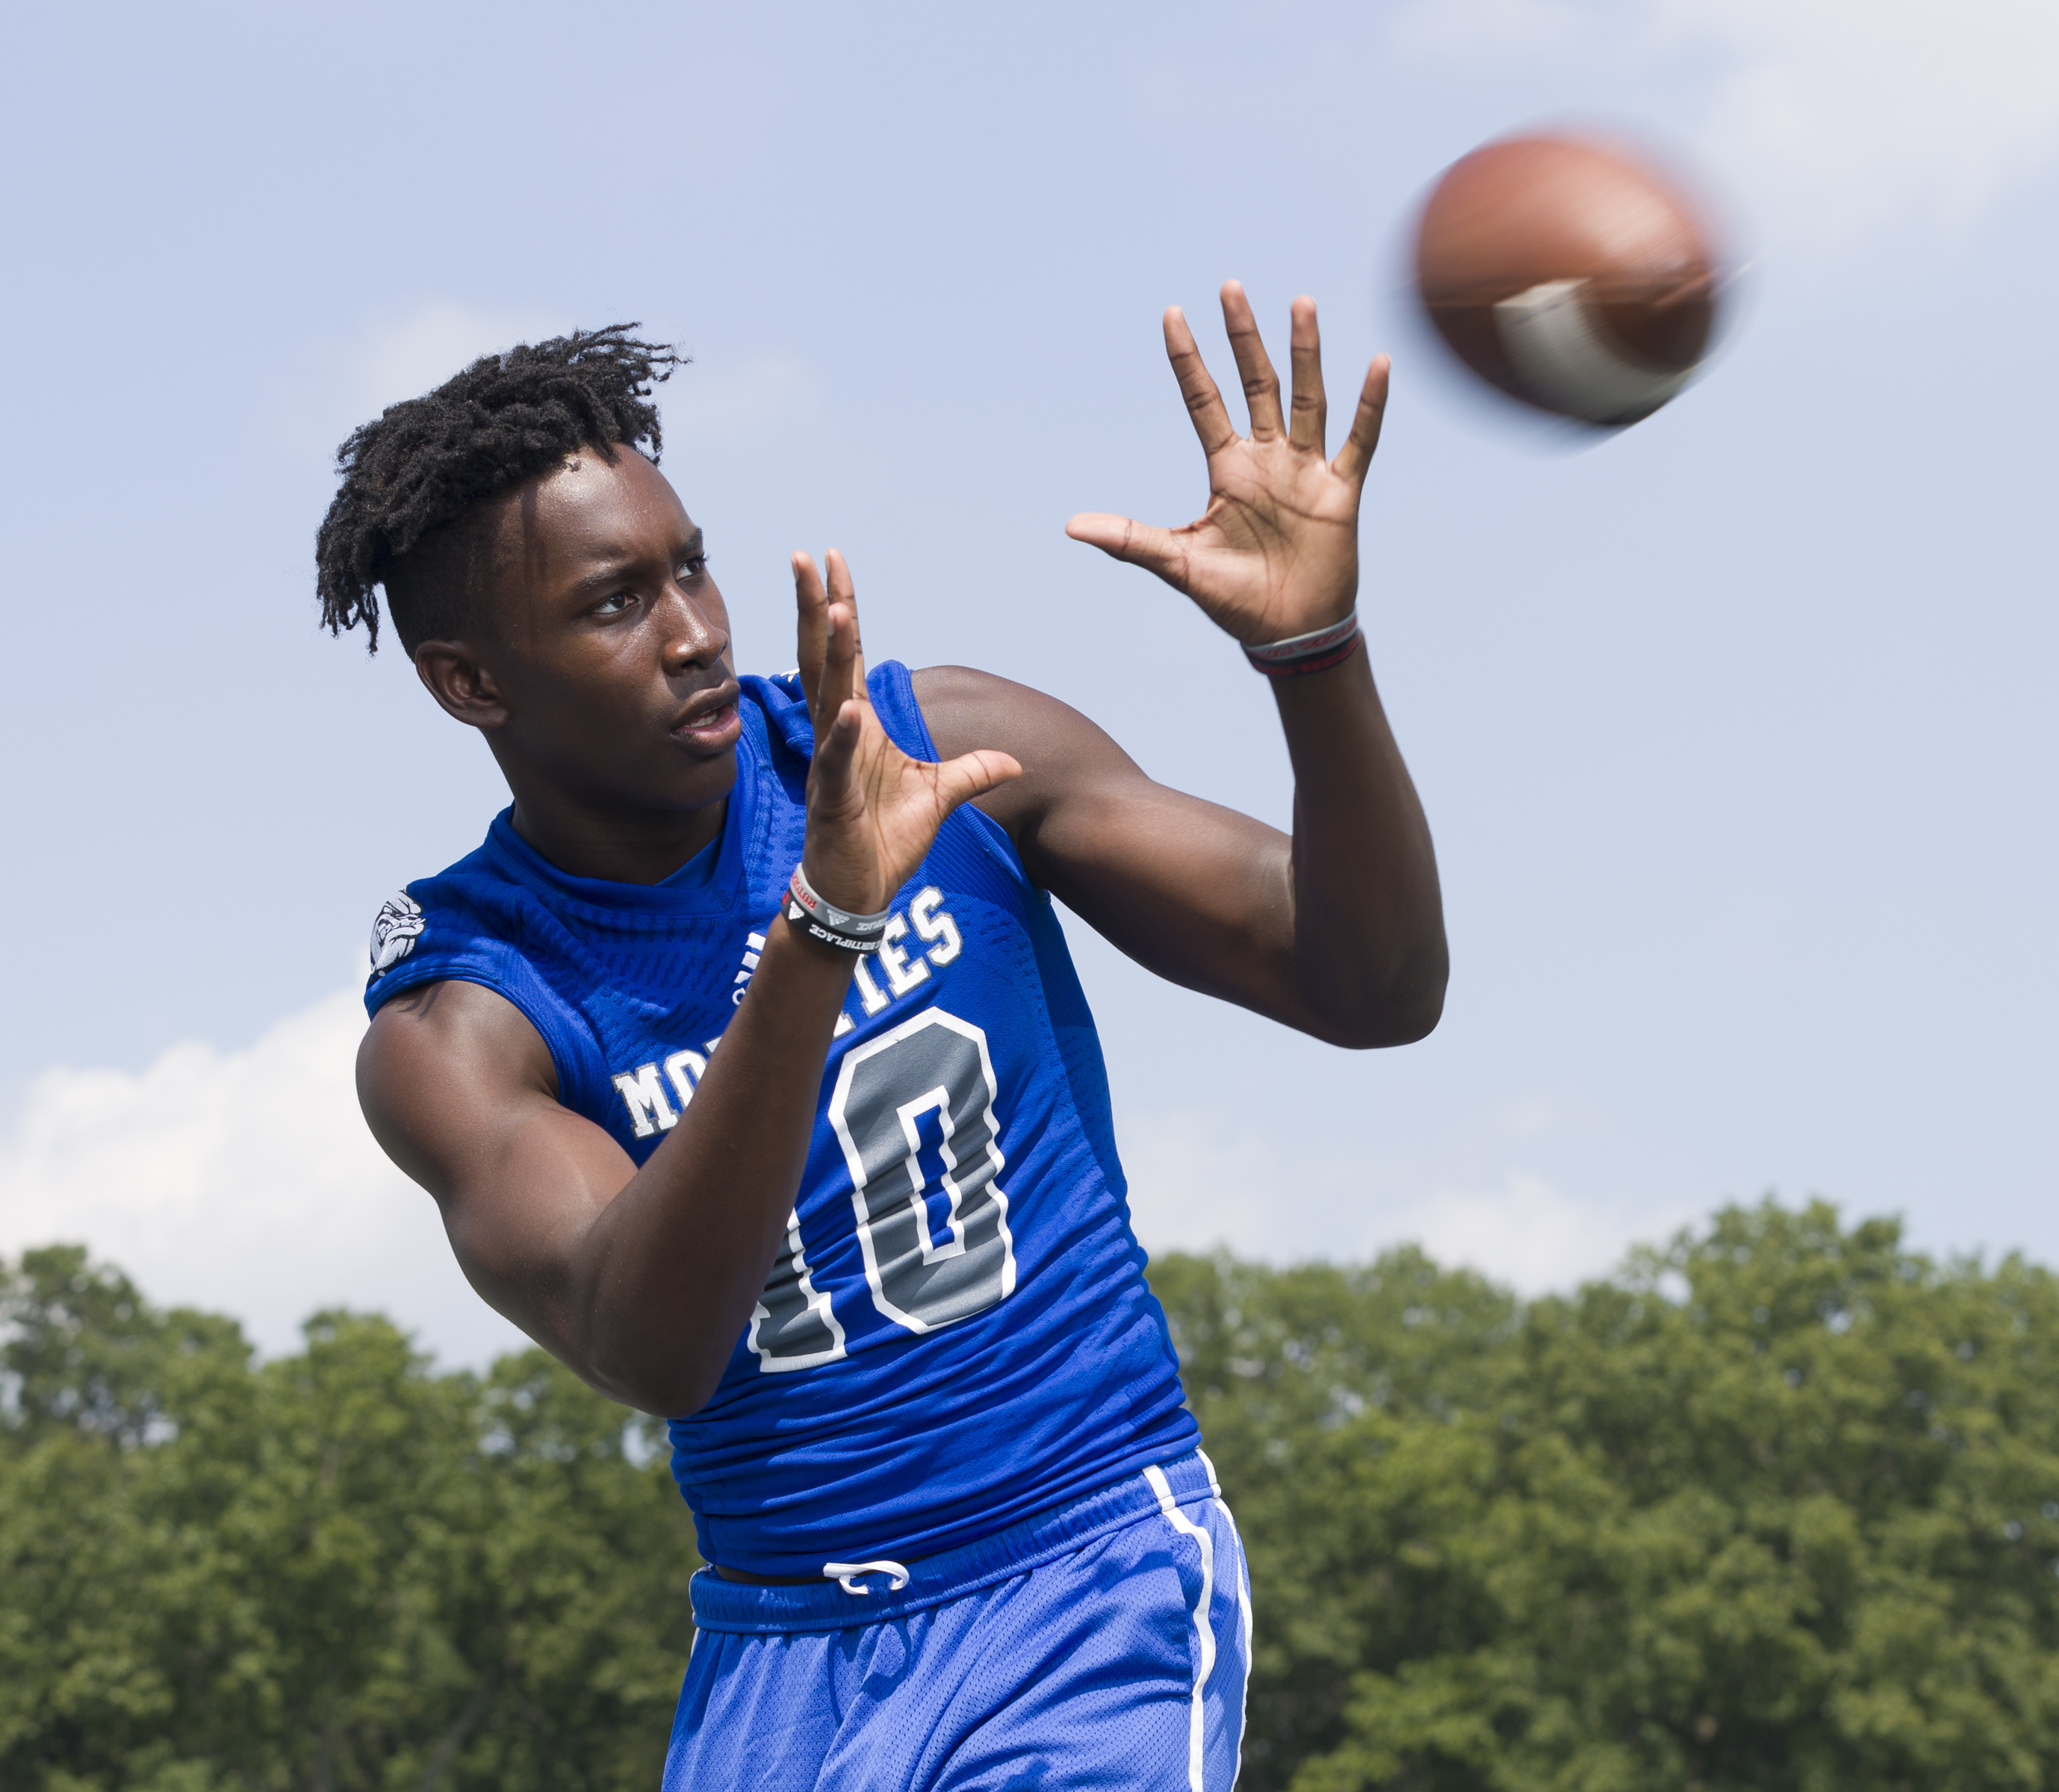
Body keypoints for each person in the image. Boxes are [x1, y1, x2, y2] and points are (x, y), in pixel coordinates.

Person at [322, 289, 1445, 1791]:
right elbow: (652, 1344)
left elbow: (1372, 987)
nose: (694, 634)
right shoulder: (466, 1012)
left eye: (692, 567)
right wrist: (823, 929)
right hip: (778, 1664)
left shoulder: (942, 749)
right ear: (470, 680)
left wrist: (1317, 655)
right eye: (614, 604)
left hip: (1081, 1577)